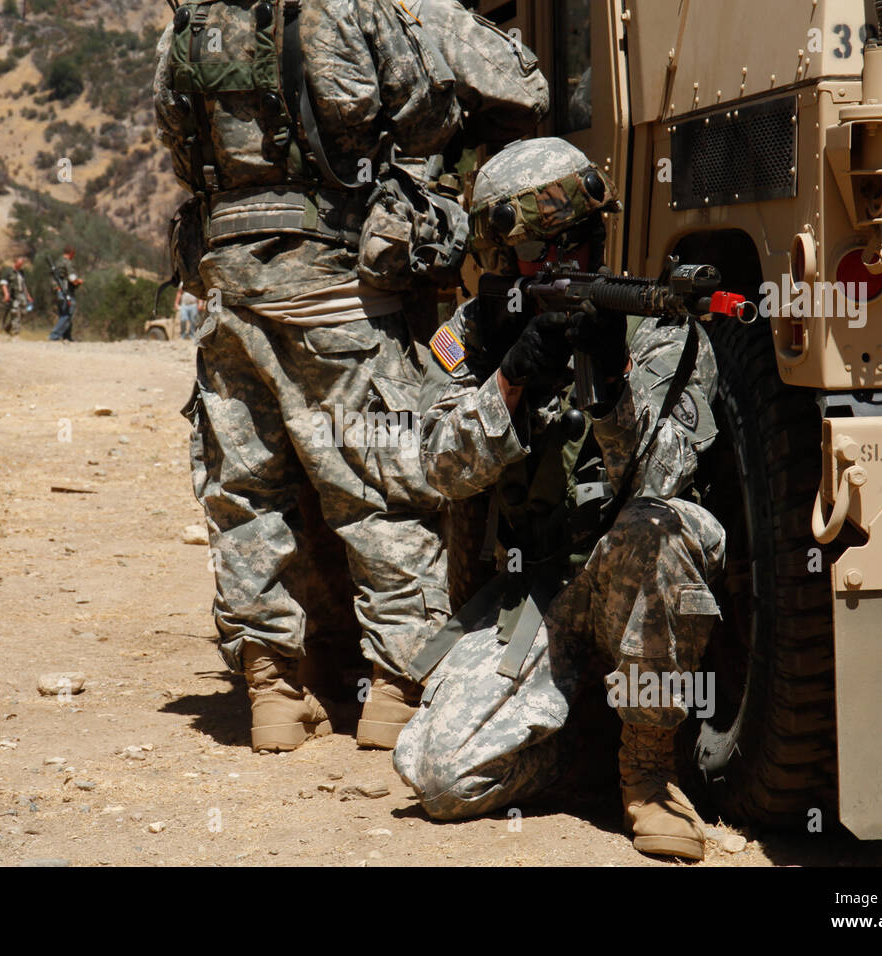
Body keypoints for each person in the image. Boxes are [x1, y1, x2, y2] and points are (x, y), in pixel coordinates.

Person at [153, 0, 544, 753]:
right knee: (382, 486)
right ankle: (394, 694)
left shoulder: (187, 23)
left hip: (227, 288)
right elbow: (467, 103)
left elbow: (180, 147)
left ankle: (273, 692)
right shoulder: (353, 9)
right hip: (340, 287)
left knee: (244, 495)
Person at [391, 138, 726, 861]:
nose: (566, 261)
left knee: (659, 528)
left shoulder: (656, 328)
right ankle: (586, 752)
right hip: (534, 597)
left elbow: (661, 480)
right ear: (504, 260)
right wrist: (511, 378)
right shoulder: (475, 335)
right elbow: (440, 471)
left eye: (579, 239)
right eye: (542, 250)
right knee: (440, 778)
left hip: (629, 579)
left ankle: (647, 774)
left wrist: (610, 387)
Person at [49, 246, 83, 342]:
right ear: (71, 253)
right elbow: (72, 278)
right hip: (66, 291)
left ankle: (67, 336)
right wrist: (78, 281)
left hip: (58, 291)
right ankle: (54, 336)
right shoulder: (67, 263)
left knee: (63, 313)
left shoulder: (58, 261)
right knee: (68, 313)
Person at [0, 257, 31, 337]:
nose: (20, 265)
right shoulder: (9, 272)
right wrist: (6, 294)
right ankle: (15, 332)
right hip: (13, 296)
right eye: (19, 264)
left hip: (22, 296)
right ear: (15, 262)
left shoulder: (21, 272)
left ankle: (8, 327)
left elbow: (24, 285)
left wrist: (28, 295)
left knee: (23, 313)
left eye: (22, 264)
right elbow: (3, 284)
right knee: (15, 313)